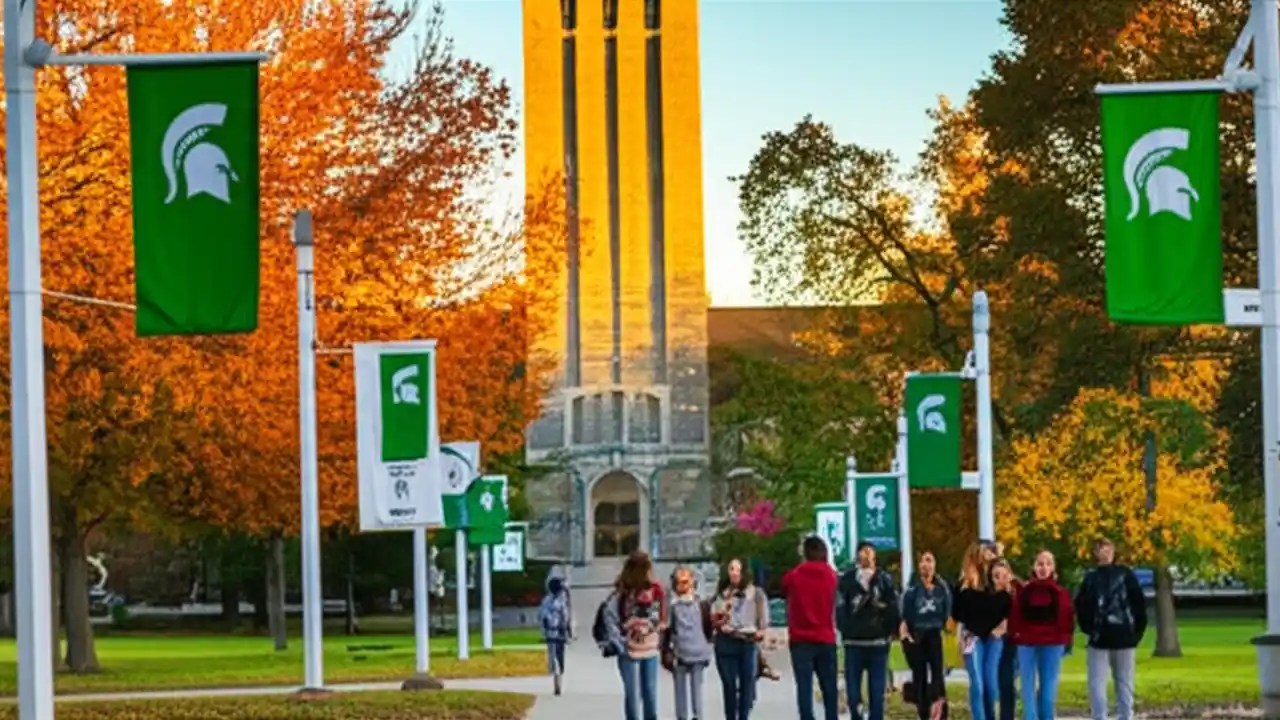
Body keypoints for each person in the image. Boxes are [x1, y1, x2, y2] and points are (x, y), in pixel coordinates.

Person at [1074, 538, 1147, 720]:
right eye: (1101, 549)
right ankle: (1102, 716)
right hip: (1102, 638)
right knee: (1099, 684)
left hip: (1122, 637)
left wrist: (1136, 632)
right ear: (1096, 553)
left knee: (1123, 682)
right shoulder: (1092, 578)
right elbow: (1081, 606)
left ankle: (1125, 715)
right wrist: (1089, 629)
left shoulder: (1124, 574)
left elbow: (1138, 604)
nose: (1105, 553)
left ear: (1113, 552)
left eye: (1108, 549)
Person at [837, 541, 900, 720]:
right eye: (862, 551)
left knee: (877, 693)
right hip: (853, 643)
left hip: (878, 644)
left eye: (869, 551)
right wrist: (846, 628)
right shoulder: (847, 580)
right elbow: (840, 607)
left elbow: (893, 606)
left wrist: (890, 629)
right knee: (853, 693)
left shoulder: (884, 579)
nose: (866, 555)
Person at [601, 550, 666, 720]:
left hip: (649, 648)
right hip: (628, 649)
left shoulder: (655, 590)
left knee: (649, 693)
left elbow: (659, 617)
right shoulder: (621, 593)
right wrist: (621, 639)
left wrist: (649, 627)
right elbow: (610, 619)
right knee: (633, 694)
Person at [1009, 550, 1074, 720]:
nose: (1043, 568)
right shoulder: (1024, 592)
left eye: (1047, 564)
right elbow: (1015, 617)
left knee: (1048, 689)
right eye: (1040, 564)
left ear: (1053, 568)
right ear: (1034, 567)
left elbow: (1067, 619)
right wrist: (1015, 636)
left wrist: (1066, 641)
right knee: (1027, 687)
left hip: (1052, 643)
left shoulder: (1060, 593)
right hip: (1027, 643)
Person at [782, 535, 840, 720]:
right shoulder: (831, 575)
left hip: (801, 639)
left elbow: (783, 587)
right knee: (829, 688)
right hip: (825, 637)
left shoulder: (795, 575)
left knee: (804, 688)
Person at [953, 547, 1013, 720]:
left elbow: (1011, 612)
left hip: (994, 639)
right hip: (973, 637)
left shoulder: (1004, 589)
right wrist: (964, 588)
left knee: (991, 683)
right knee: (977, 683)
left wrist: (1006, 590)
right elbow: (958, 614)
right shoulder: (968, 587)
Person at [711, 556, 768, 720]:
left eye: (738, 569)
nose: (735, 573)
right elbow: (714, 617)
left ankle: (743, 716)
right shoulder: (722, 594)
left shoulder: (755, 593)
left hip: (746, 642)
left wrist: (761, 632)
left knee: (746, 685)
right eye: (731, 569)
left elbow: (763, 620)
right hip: (725, 642)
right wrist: (719, 618)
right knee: (729, 685)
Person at [901, 550, 952, 720]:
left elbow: (947, 611)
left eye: (930, 561)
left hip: (934, 633)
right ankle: (923, 713)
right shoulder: (912, 589)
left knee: (937, 675)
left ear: (934, 565)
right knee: (919, 675)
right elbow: (906, 612)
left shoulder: (941, 588)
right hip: (917, 634)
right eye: (923, 561)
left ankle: (940, 713)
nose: (926, 565)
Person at [665, 566, 713, 720]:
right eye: (680, 581)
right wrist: (666, 649)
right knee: (686, 690)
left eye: (686, 580)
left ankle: (695, 716)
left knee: (693, 689)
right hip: (682, 652)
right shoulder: (675, 606)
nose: (684, 585)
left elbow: (708, 627)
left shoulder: (701, 604)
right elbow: (668, 629)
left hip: (694, 651)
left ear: (693, 582)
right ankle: (688, 716)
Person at [538, 576, 573, 695]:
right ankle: (556, 681)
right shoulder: (547, 601)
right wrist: (544, 632)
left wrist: (568, 632)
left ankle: (559, 678)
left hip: (560, 632)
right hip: (551, 632)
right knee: (553, 658)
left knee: (560, 656)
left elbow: (566, 617)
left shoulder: (561, 600)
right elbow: (543, 618)